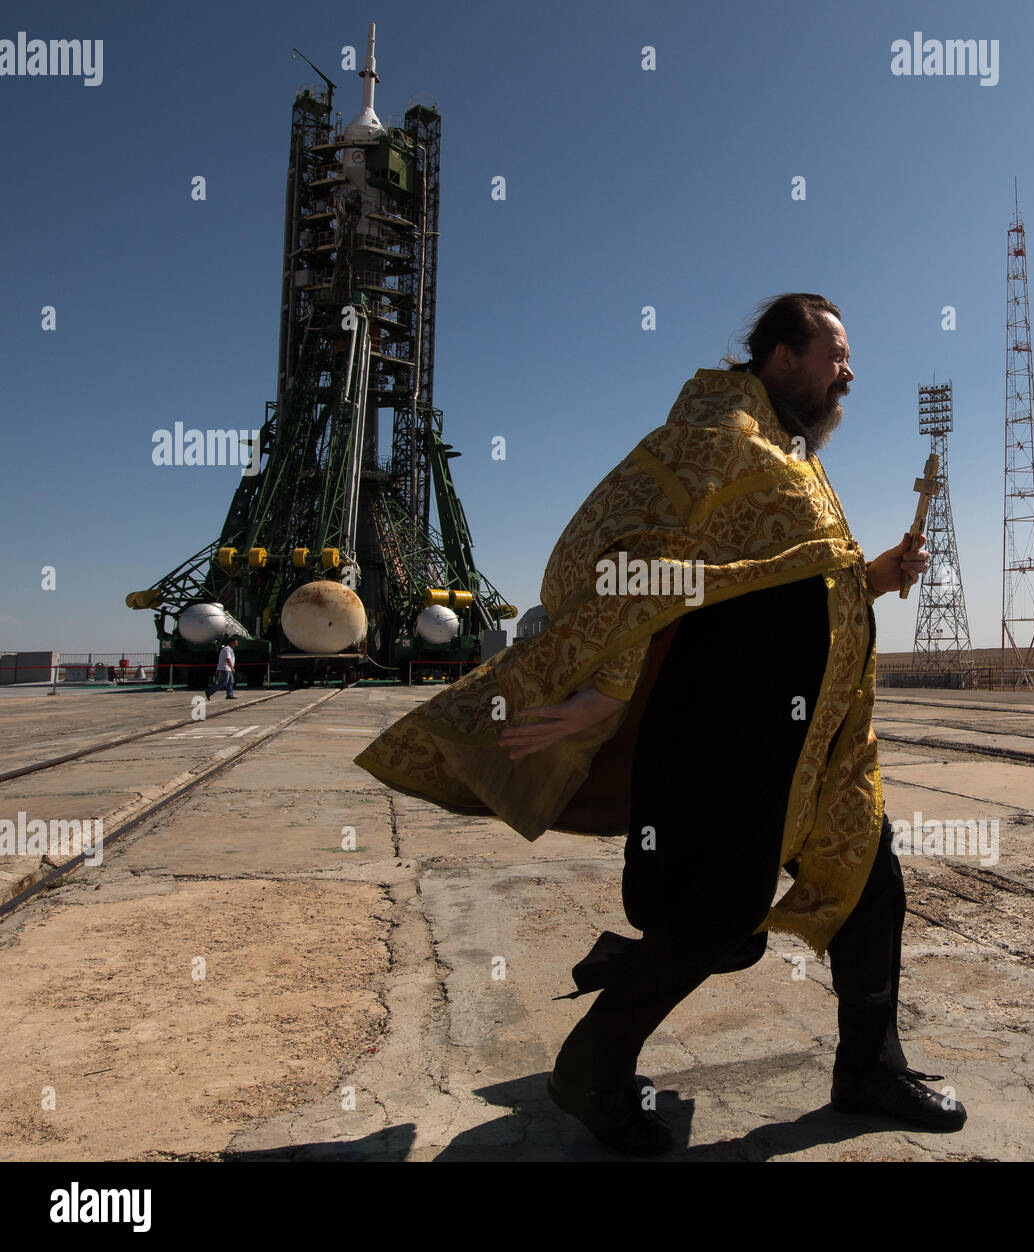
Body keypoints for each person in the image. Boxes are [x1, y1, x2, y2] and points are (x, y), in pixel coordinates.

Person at [355, 293, 967, 1154]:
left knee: (870, 880)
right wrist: (605, 685)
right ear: (781, 355)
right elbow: (623, 561)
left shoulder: (790, 454)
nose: (850, 371)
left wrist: (867, 578)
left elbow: (769, 582)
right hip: (729, 733)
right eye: (836, 351)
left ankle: (869, 1066)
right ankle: (594, 1066)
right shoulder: (713, 438)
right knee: (718, 917)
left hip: (817, 742)